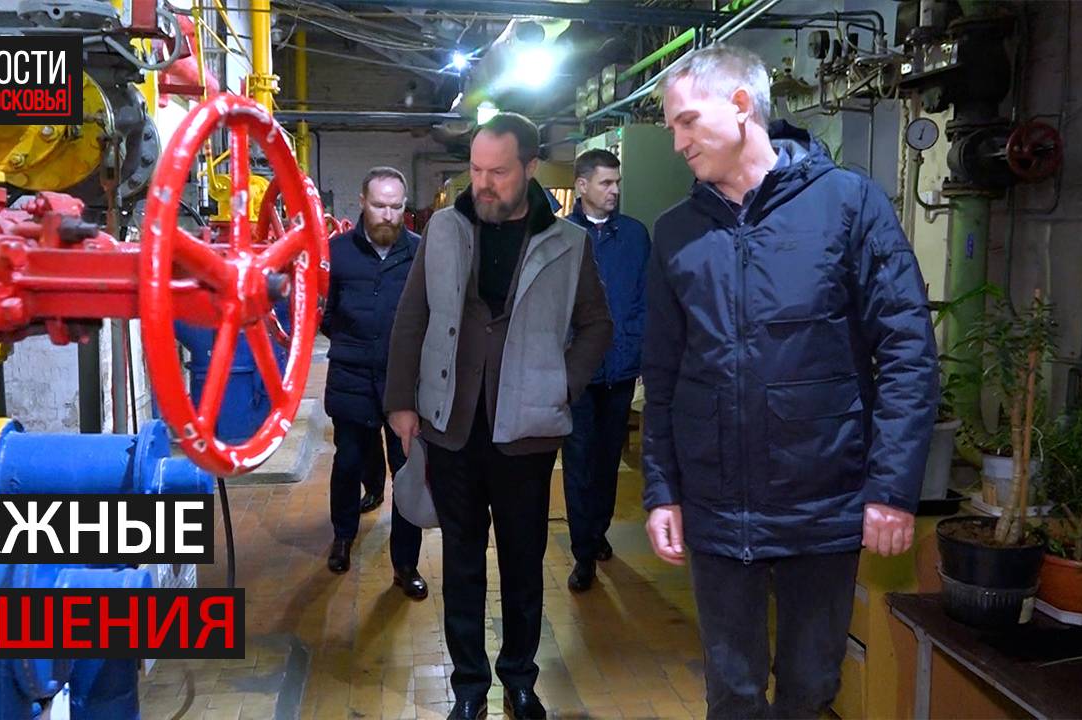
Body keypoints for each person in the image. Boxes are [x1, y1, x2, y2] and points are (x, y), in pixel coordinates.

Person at [641, 45, 939, 719]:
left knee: (810, 689)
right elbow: (662, 372)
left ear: (741, 105)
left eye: (687, 122)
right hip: (716, 504)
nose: (678, 142)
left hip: (823, 500)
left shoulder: (847, 205)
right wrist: (662, 490)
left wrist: (891, 489)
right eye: (672, 127)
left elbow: (906, 351)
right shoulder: (677, 232)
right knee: (733, 694)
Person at [385, 113, 612, 720]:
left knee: (522, 563)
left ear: (531, 168)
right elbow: (412, 316)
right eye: (476, 170)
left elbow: (597, 326)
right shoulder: (444, 230)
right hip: (451, 424)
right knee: (461, 562)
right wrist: (401, 401)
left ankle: (518, 679)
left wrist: (561, 383)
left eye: (499, 172)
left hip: (526, 433)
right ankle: (467, 687)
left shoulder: (568, 244)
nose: (483, 184)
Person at [320, 166, 427, 600]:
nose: (387, 214)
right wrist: (355, 342)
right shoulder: (337, 253)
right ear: (362, 202)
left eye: (395, 206)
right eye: (379, 205)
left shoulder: (420, 253)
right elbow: (325, 314)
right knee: (348, 461)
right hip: (351, 376)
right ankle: (343, 536)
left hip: (405, 383)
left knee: (407, 472)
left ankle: (406, 564)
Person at [560, 149, 651, 593]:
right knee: (578, 462)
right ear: (582, 186)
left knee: (608, 460)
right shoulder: (560, 236)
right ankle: (583, 553)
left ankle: (598, 531)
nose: (614, 190)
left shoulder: (634, 236)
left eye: (617, 183)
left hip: (619, 369)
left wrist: (637, 347)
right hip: (576, 375)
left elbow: (645, 298)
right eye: (605, 183)